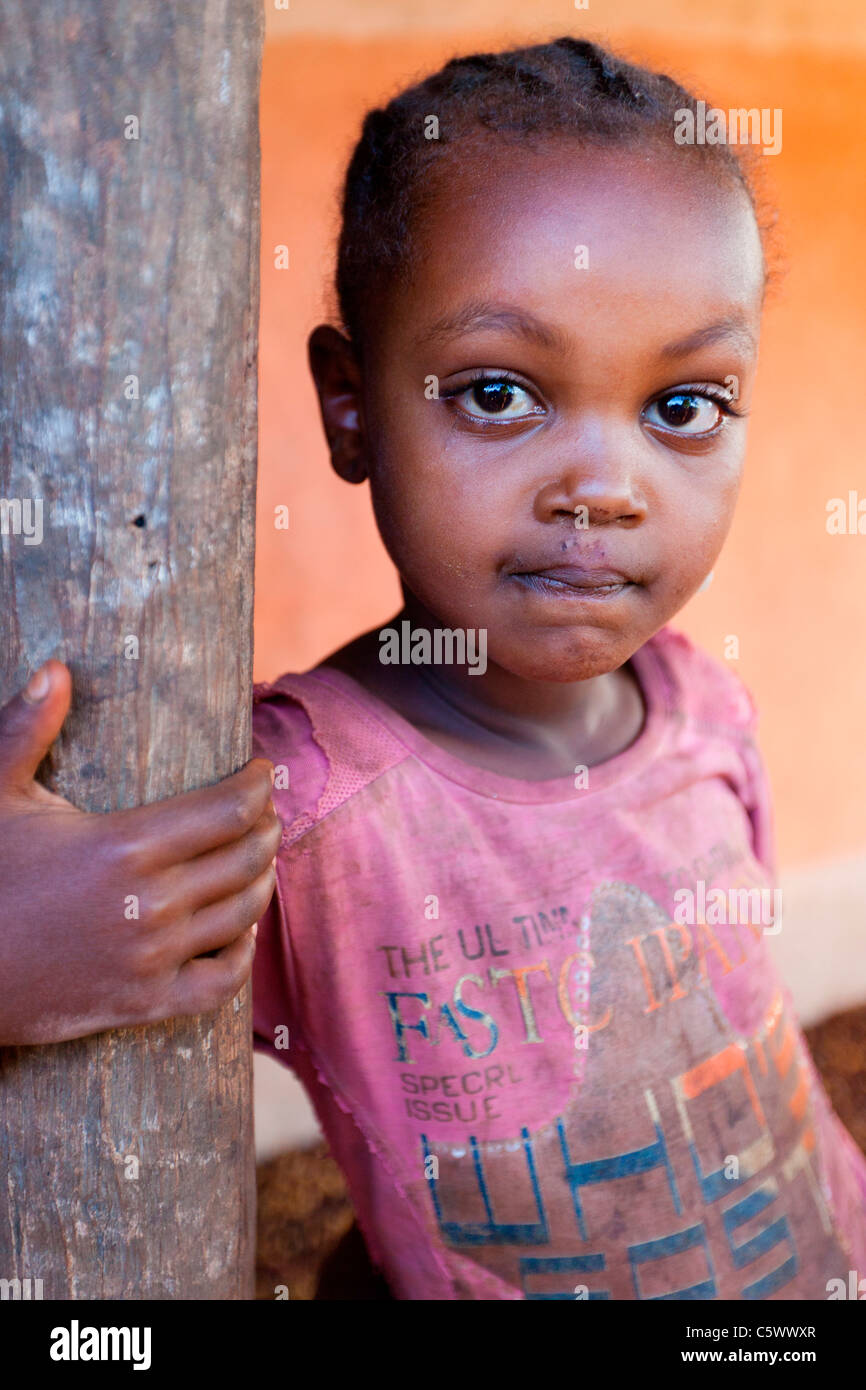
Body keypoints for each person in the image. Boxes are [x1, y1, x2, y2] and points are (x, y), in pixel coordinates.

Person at [1, 37, 863, 1300]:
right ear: (350, 407)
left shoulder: (703, 710)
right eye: (499, 391)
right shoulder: (299, 801)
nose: (605, 489)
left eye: (682, 405)